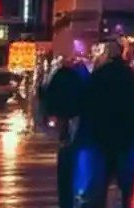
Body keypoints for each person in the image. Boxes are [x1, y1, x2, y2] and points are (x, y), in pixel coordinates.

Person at [82, 39, 134, 208]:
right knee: (126, 180)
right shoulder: (131, 74)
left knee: (103, 178)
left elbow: (88, 102)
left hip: (103, 133)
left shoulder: (99, 74)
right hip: (127, 133)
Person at [41, 55, 90, 208]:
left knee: (66, 163)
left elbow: (48, 95)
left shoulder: (60, 75)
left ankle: (67, 201)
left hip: (66, 123)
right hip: (77, 122)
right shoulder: (80, 77)